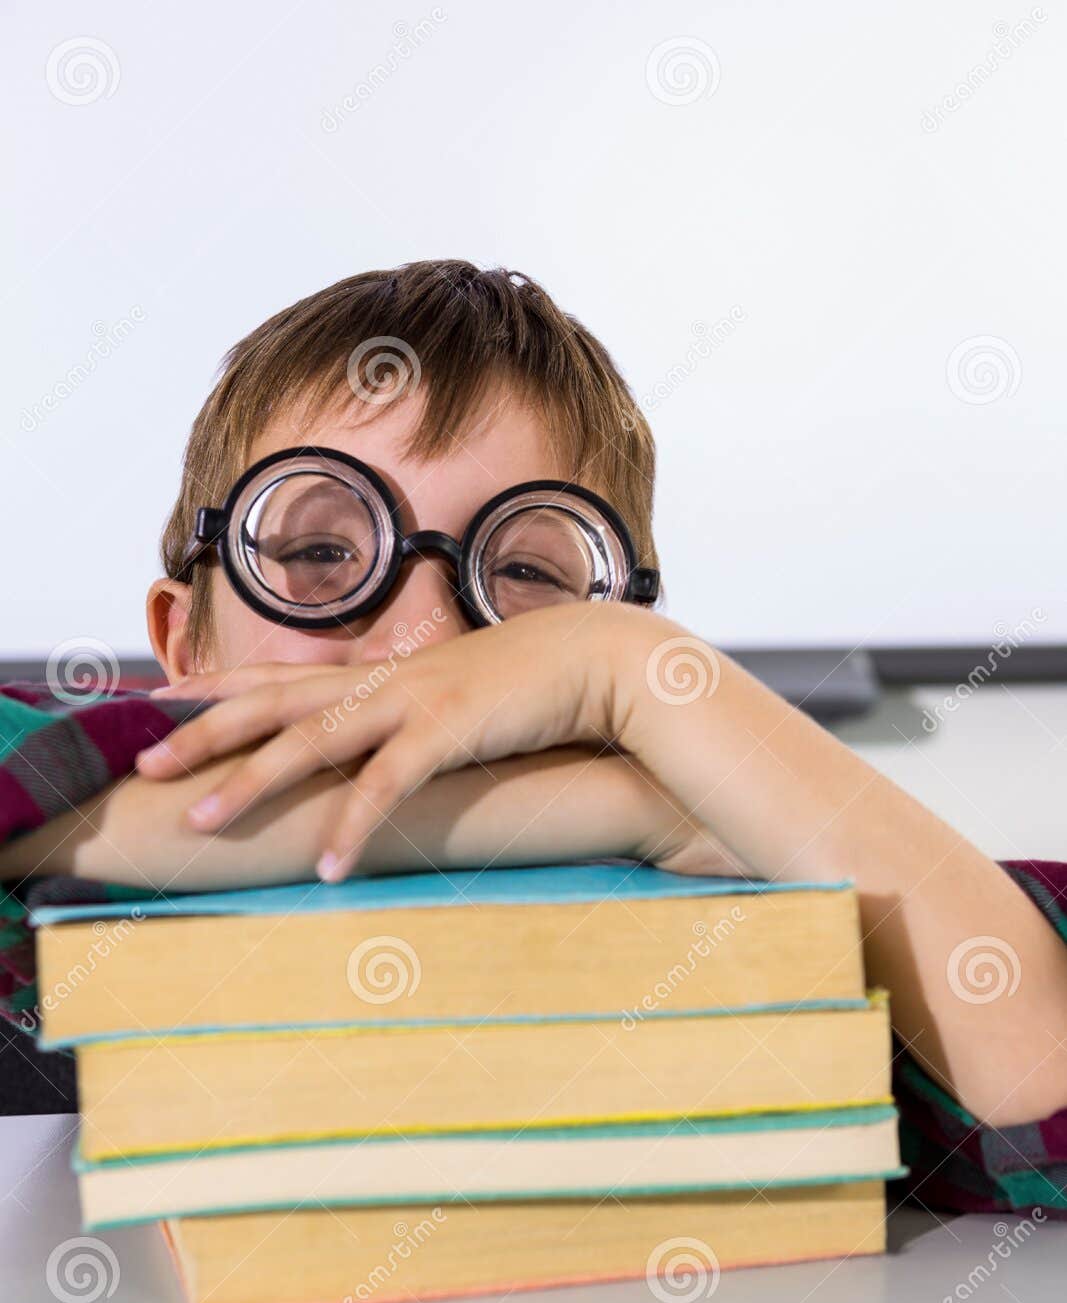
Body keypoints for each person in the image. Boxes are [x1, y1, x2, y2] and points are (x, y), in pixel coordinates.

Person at [2, 260, 1065, 1212]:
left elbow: (1038, 1082)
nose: (424, 638)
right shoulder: (65, 926)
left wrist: (629, 670)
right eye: (323, 551)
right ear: (182, 643)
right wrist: (632, 805)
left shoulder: (729, 937)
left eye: (523, 575)